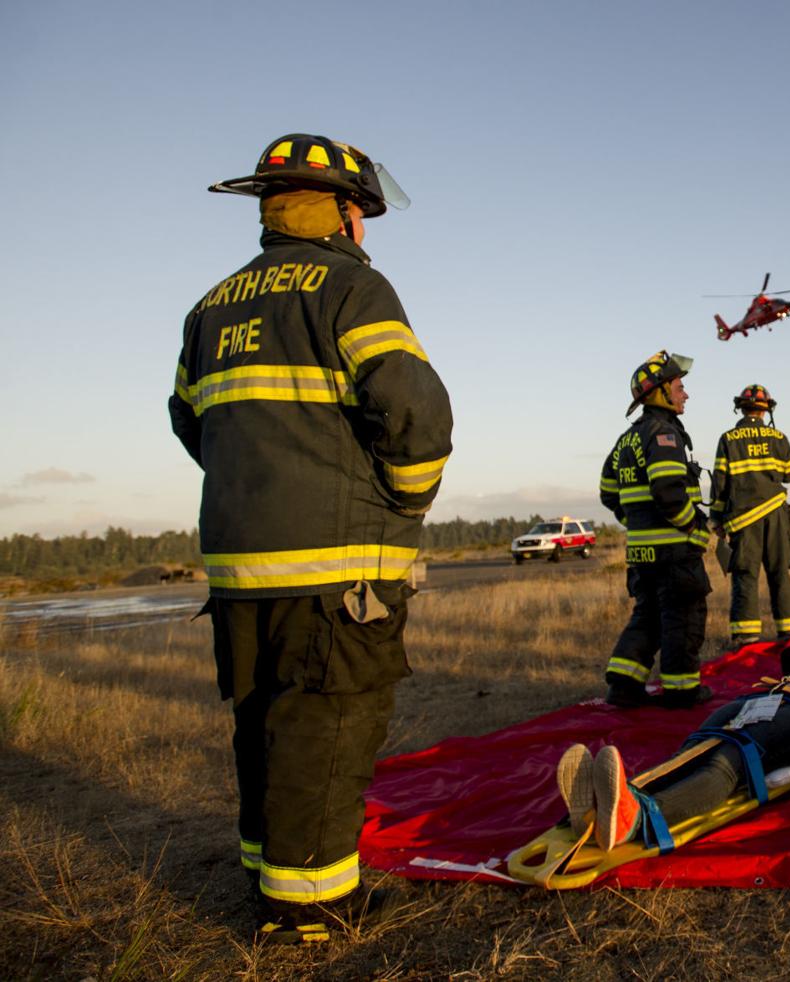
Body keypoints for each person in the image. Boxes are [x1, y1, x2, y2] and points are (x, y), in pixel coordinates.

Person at [168, 134, 453, 943]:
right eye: (363, 213)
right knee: (327, 722)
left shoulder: (212, 306)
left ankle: (268, 869)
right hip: (336, 566)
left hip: (239, 562)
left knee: (260, 718)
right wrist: (401, 501)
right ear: (343, 215)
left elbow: (192, 419)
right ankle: (311, 908)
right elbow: (416, 414)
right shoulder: (350, 289)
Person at [556, 648, 790, 851]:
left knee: (732, 760)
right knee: (697, 747)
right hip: (770, 700)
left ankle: (637, 821)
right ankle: (604, 806)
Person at [600, 351, 713, 708]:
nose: (686, 394)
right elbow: (668, 492)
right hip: (674, 552)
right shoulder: (663, 434)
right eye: (680, 387)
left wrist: (637, 523)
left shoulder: (626, 440)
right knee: (684, 617)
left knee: (647, 617)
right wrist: (694, 528)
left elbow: (608, 492)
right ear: (660, 392)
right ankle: (682, 692)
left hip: (642, 553)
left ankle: (623, 685)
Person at [709, 384, 790, 646]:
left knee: (745, 576)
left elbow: (720, 483)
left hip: (742, 520)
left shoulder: (727, 439)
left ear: (741, 407)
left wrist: (716, 519)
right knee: (780, 574)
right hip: (775, 515)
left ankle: (747, 638)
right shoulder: (780, 438)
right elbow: (789, 476)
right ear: (766, 410)